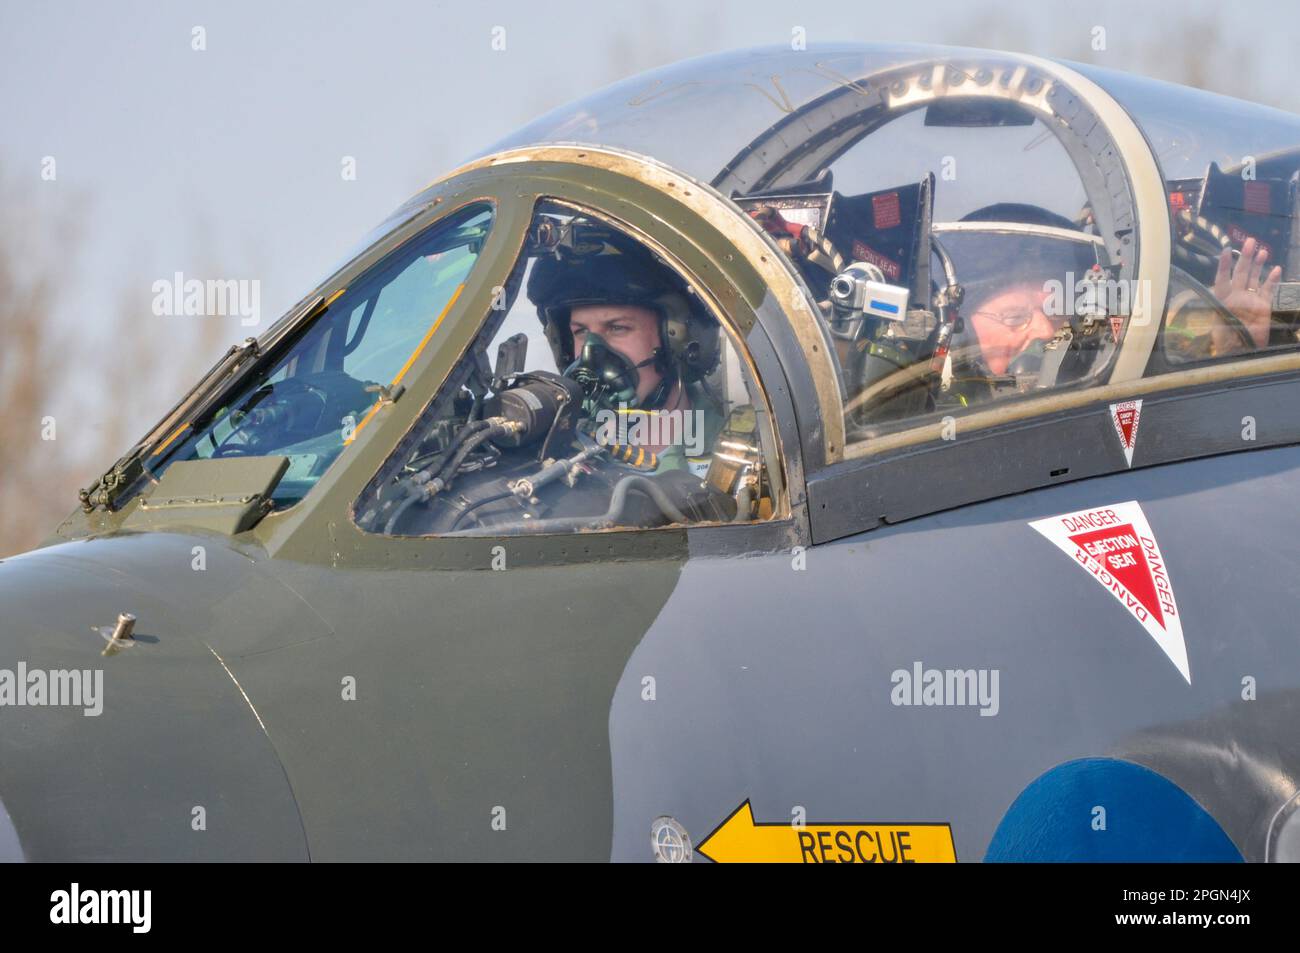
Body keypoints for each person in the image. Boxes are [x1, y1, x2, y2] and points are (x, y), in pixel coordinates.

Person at [525, 237, 726, 475]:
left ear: (675, 342)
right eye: (580, 331)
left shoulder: (740, 451)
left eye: (617, 328)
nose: (592, 351)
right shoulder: (553, 455)